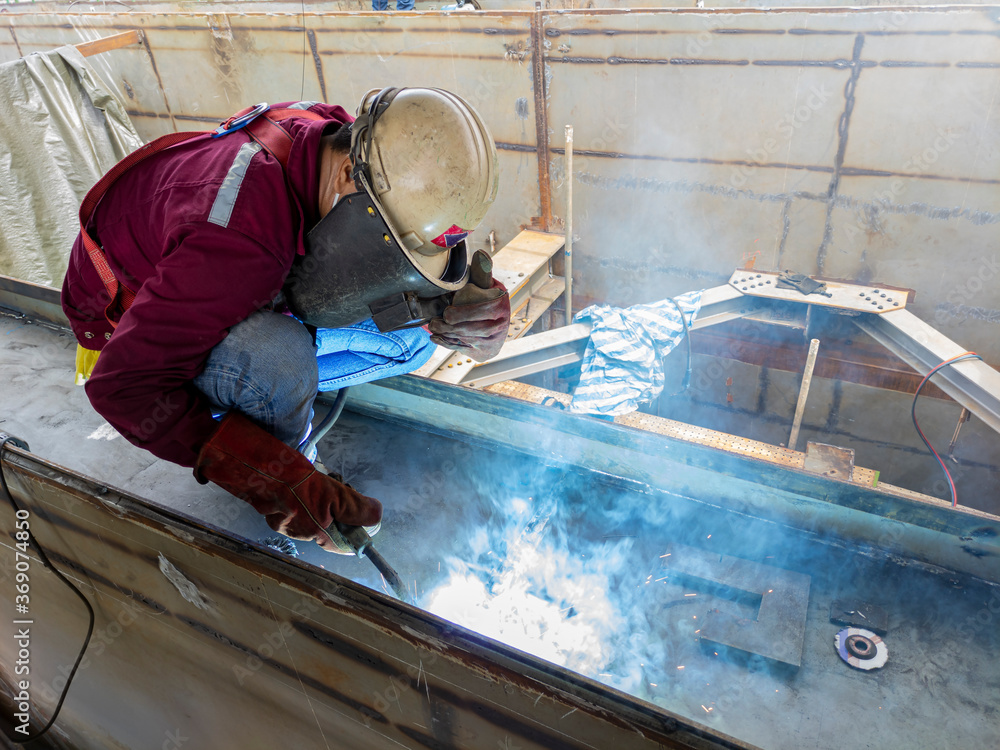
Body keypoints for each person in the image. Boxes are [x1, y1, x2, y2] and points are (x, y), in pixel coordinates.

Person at [61, 88, 509, 554]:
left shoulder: (336, 140)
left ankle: (270, 408)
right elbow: (123, 387)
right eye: (389, 247)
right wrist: (277, 480)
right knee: (279, 360)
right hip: (132, 330)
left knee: (413, 339)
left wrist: (466, 313)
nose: (389, 261)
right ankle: (297, 461)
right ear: (346, 176)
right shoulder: (240, 240)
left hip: (211, 283)